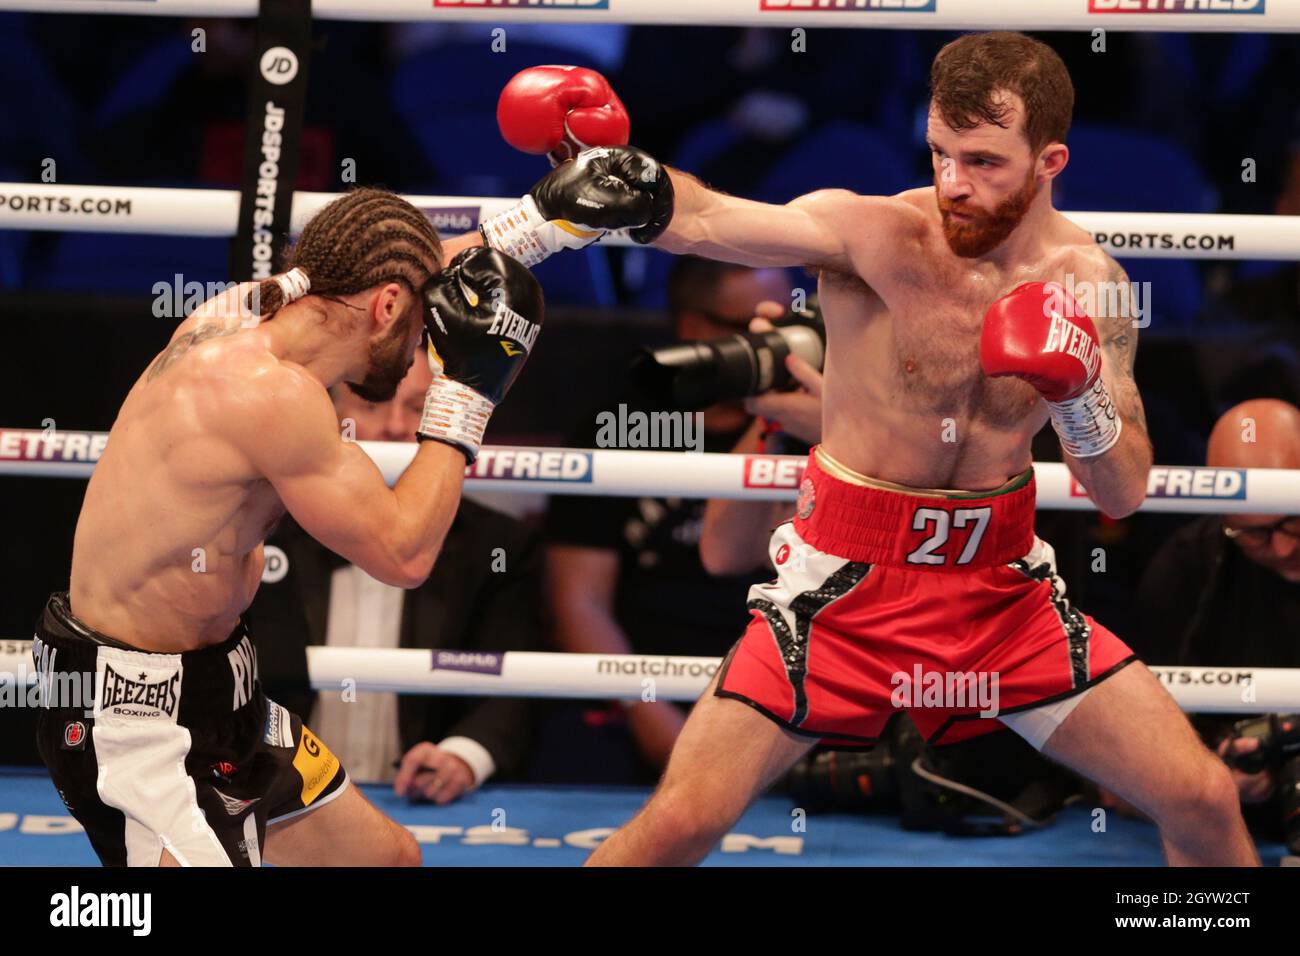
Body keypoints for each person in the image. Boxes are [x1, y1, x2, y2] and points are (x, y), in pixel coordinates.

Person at [538, 30, 1256, 865]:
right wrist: (628, 178)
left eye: (984, 162)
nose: (954, 184)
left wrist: (1081, 389)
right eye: (941, 154)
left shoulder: (1086, 282)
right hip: (843, 586)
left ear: (1050, 159)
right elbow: (707, 220)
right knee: (685, 821)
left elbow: (1122, 492)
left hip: (1000, 591)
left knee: (1202, 799)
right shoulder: (872, 234)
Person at [32, 187, 545, 866]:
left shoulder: (235, 315)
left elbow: (391, 264)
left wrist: (538, 225)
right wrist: (466, 398)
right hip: (135, 713)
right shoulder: (270, 394)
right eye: (425, 323)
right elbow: (403, 553)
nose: (427, 340)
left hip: (224, 687)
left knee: (388, 860)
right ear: (388, 305)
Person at [536, 258, 790, 782]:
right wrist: (650, 715)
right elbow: (578, 601)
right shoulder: (620, 427)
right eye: (752, 328)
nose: (778, 346)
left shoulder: (823, 429)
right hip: (639, 693)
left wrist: (782, 414)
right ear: (696, 328)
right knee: (567, 751)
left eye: (787, 326)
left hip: (787, 700)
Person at [249, 358, 543, 804]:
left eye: (418, 408)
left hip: (429, 806)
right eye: (372, 404)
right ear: (327, 416)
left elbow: (517, 681)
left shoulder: (496, 546)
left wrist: (462, 756)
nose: (392, 427)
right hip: (276, 800)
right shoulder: (257, 533)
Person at [1132, 399, 1300, 844]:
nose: (1282, 549)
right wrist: (1210, 766)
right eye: (1254, 534)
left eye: (1293, 523)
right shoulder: (1187, 566)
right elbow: (1132, 729)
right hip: (1240, 813)